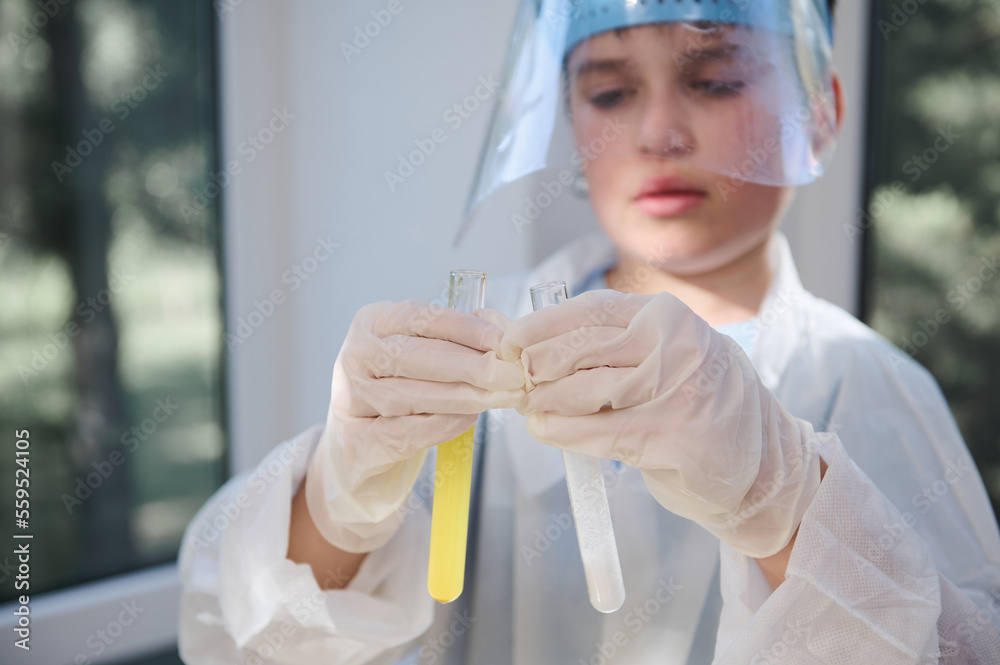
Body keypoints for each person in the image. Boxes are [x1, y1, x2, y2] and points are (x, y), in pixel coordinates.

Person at [178, 0, 1000, 663]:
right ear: (567, 115)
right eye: (609, 92)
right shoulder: (470, 346)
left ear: (818, 109)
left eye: (714, 79)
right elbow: (241, 640)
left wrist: (786, 500)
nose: (658, 132)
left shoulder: (870, 383)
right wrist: (336, 500)